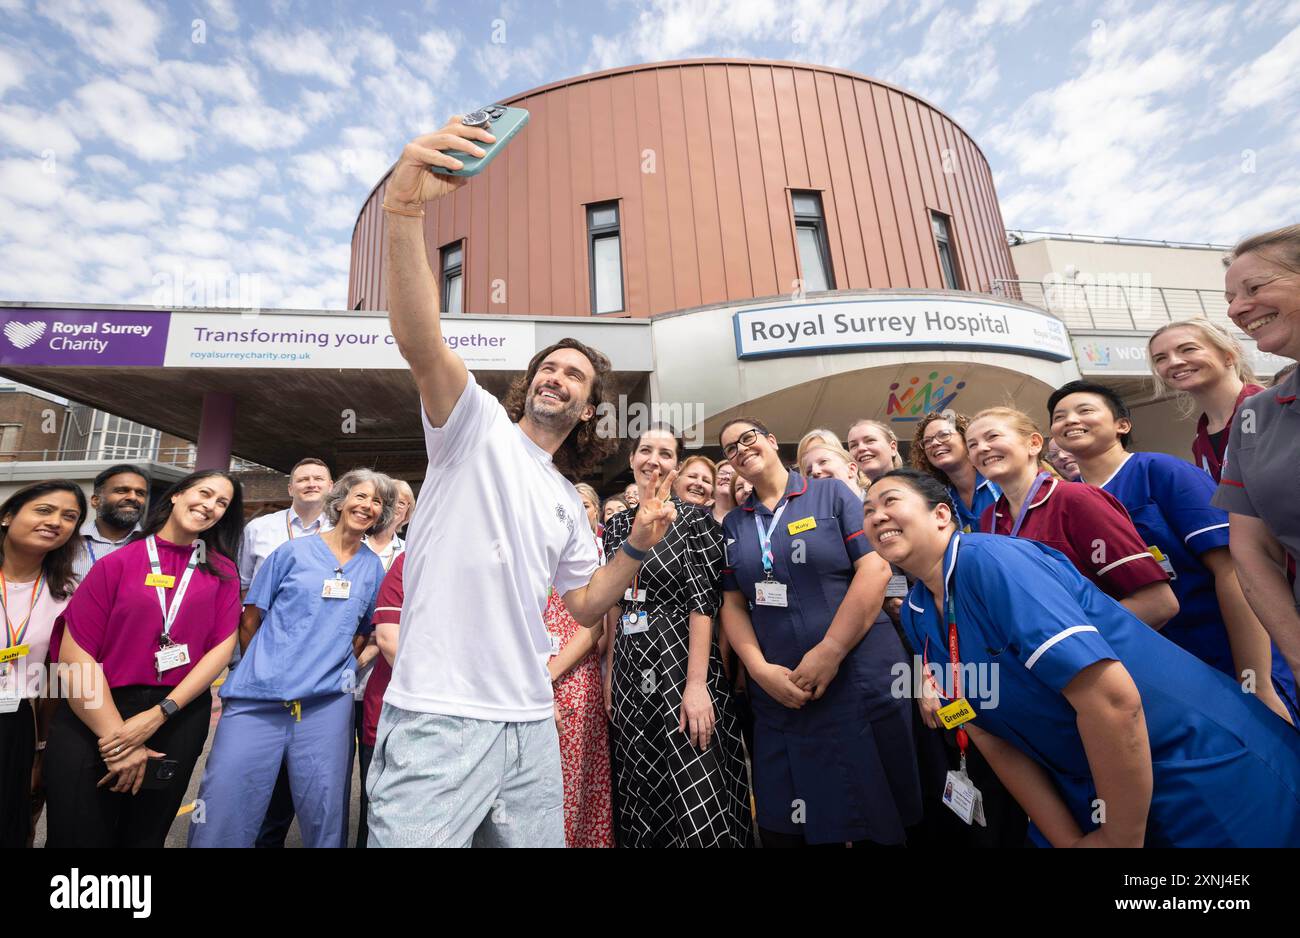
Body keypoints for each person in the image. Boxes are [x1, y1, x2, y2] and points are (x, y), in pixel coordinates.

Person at [365, 115, 679, 849]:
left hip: (531, 718)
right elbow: (419, 339)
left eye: (573, 373)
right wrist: (405, 210)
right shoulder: (470, 426)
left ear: (589, 406)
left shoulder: (569, 501)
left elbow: (585, 600)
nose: (554, 374)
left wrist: (633, 546)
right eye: (548, 365)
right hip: (440, 714)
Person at [866, 468, 1300, 847]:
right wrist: (1067, 838)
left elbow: (1111, 701)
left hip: (1197, 770)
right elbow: (985, 731)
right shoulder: (921, 608)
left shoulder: (994, 562)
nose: (876, 516)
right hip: (1094, 790)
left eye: (889, 501)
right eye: (867, 510)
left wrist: (1120, 838)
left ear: (941, 515)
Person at [719, 417, 921, 847]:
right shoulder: (736, 523)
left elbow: (875, 567)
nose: (740, 450)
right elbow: (733, 603)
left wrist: (830, 650)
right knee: (789, 822)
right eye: (730, 449)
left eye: (748, 438)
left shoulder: (830, 494)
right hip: (781, 690)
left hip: (858, 675)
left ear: (773, 441)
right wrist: (757, 669)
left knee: (878, 813)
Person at [1048, 380, 1296, 722]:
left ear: (1122, 424)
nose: (1070, 420)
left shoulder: (1162, 472)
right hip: (1161, 676)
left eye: (1085, 410)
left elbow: (1234, 570)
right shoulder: (1065, 501)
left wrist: (1255, 680)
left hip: (1228, 655)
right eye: (1059, 416)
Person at [189, 470, 391, 848]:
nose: (367, 506)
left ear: (381, 515)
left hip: (325, 703)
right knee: (225, 798)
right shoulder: (293, 552)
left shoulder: (372, 568)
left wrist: (337, 664)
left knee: (325, 807)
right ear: (342, 500)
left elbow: (364, 630)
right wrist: (266, 668)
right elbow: (250, 619)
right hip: (257, 698)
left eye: (377, 502)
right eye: (360, 496)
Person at [43, 471, 243, 848]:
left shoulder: (221, 571)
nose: (211, 506)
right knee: (77, 833)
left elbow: (219, 649)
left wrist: (160, 714)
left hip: (176, 712)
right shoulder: (118, 562)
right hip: (97, 710)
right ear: (177, 495)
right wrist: (121, 740)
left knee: (144, 836)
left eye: (222, 503)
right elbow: (75, 654)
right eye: (204, 493)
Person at [602, 427, 749, 847]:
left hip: (682, 660)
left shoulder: (693, 522)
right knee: (640, 775)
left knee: (691, 770)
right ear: (632, 459)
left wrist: (698, 685)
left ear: (676, 465)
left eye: (665, 453)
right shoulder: (616, 526)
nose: (654, 460)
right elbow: (613, 604)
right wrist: (611, 673)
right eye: (645, 450)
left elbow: (704, 605)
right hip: (631, 664)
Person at [967, 406, 1179, 629]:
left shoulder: (1076, 500)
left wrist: (1073, 645)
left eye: (993, 436)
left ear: (1034, 443)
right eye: (972, 445)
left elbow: (1158, 603)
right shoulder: (990, 518)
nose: (982, 448)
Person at [1213, 225, 1300, 685]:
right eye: (1231, 297)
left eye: (1254, 288)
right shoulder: (1255, 417)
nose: (1237, 309)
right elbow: (1251, 549)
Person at [236, 455, 333, 847]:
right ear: (290, 488)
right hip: (262, 658)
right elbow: (243, 589)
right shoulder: (260, 528)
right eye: (302, 479)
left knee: (305, 767)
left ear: (331, 488)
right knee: (257, 763)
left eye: (318, 478)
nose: (310, 483)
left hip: (317, 664)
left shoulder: (343, 532)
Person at [0, 481, 85, 847]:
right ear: (7, 516)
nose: (56, 522)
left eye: (70, 517)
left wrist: (40, 751)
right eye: (44, 510)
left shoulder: (68, 593)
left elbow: (56, 678)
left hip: (18, 723)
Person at [351, 476, 411, 848]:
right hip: (383, 697)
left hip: (439, 712)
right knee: (375, 801)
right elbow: (387, 637)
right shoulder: (405, 562)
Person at [1147, 318, 1262, 483]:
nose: (1174, 362)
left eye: (1188, 349)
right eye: (1160, 358)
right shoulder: (1200, 440)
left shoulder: (1273, 410)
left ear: (1229, 355)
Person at [909, 413, 1002, 532]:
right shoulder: (940, 500)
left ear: (965, 438)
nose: (935, 443)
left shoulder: (999, 480)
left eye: (944, 435)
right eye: (927, 441)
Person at [71, 464, 147, 579]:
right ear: (96, 501)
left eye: (140, 493)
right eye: (121, 491)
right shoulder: (67, 542)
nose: (133, 497)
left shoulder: (156, 546)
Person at [800, 438, 865, 500]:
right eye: (809, 471)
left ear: (851, 469)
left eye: (823, 462)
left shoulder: (874, 502)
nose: (814, 471)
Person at [847, 419, 903, 483]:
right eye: (854, 445)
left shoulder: (914, 488)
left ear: (893, 448)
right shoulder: (854, 491)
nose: (860, 448)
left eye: (870, 440)